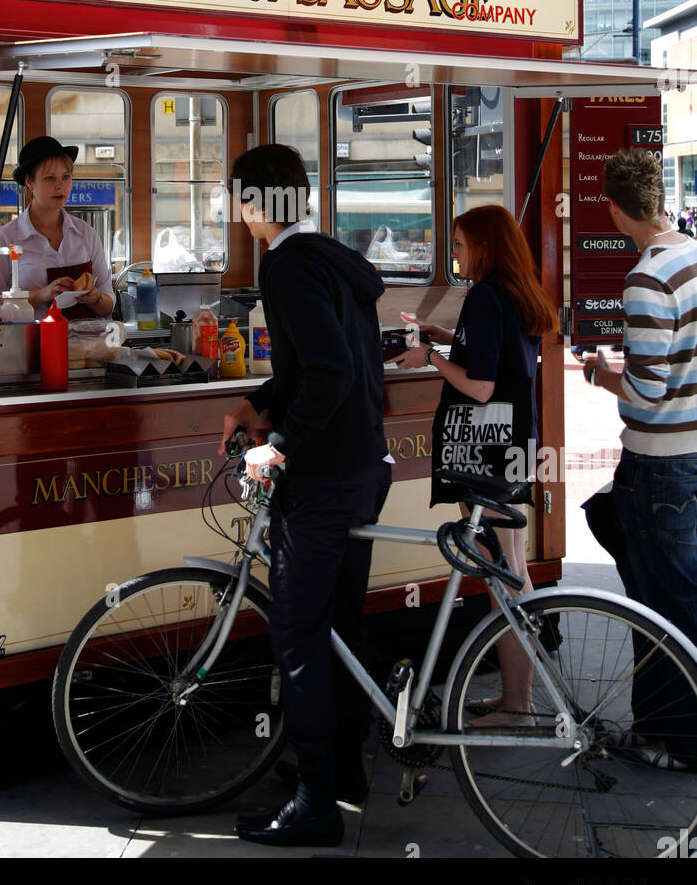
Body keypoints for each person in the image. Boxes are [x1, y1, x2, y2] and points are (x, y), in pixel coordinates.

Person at [219, 143, 391, 848]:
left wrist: (276, 444)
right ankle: (342, 773)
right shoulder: (326, 254)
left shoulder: (286, 265)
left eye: (238, 198)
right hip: (364, 467)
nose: (235, 211)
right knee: (338, 629)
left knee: (296, 634)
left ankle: (316, 803)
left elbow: (327, 373)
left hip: (320, 480)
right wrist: (259, 400)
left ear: (258, 202)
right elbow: (337, 363)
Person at [394, 205, 557, 724]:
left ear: (484, 247)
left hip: (481, 450)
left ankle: (519, 703)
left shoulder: (484, 297)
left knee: (507, 576)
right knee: (511, 571)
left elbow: (480, 386)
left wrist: (430, 358)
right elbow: (497, 360)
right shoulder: (519, 293)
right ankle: (517, 699)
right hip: (512, 444)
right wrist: (444, 336)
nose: (455, 253)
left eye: (461, 244)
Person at [582, 150, 697, 763]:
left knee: (664, 605)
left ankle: (676, 739)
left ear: (615, 208)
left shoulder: (647, 277)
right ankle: (662, 731)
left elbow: (649, 390)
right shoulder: (694, 257)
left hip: (661, 462)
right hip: (693, 451)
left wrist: (602, 375)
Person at [0, 136, 114, 318]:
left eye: (66, 177)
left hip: (86, 342)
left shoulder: (86, 234)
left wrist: (95, 299)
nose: (60, 185)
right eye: (49, 178)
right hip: (30, 342)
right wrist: (39, 294)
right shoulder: (5, 239)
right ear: (30, 183)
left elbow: (108, 305)